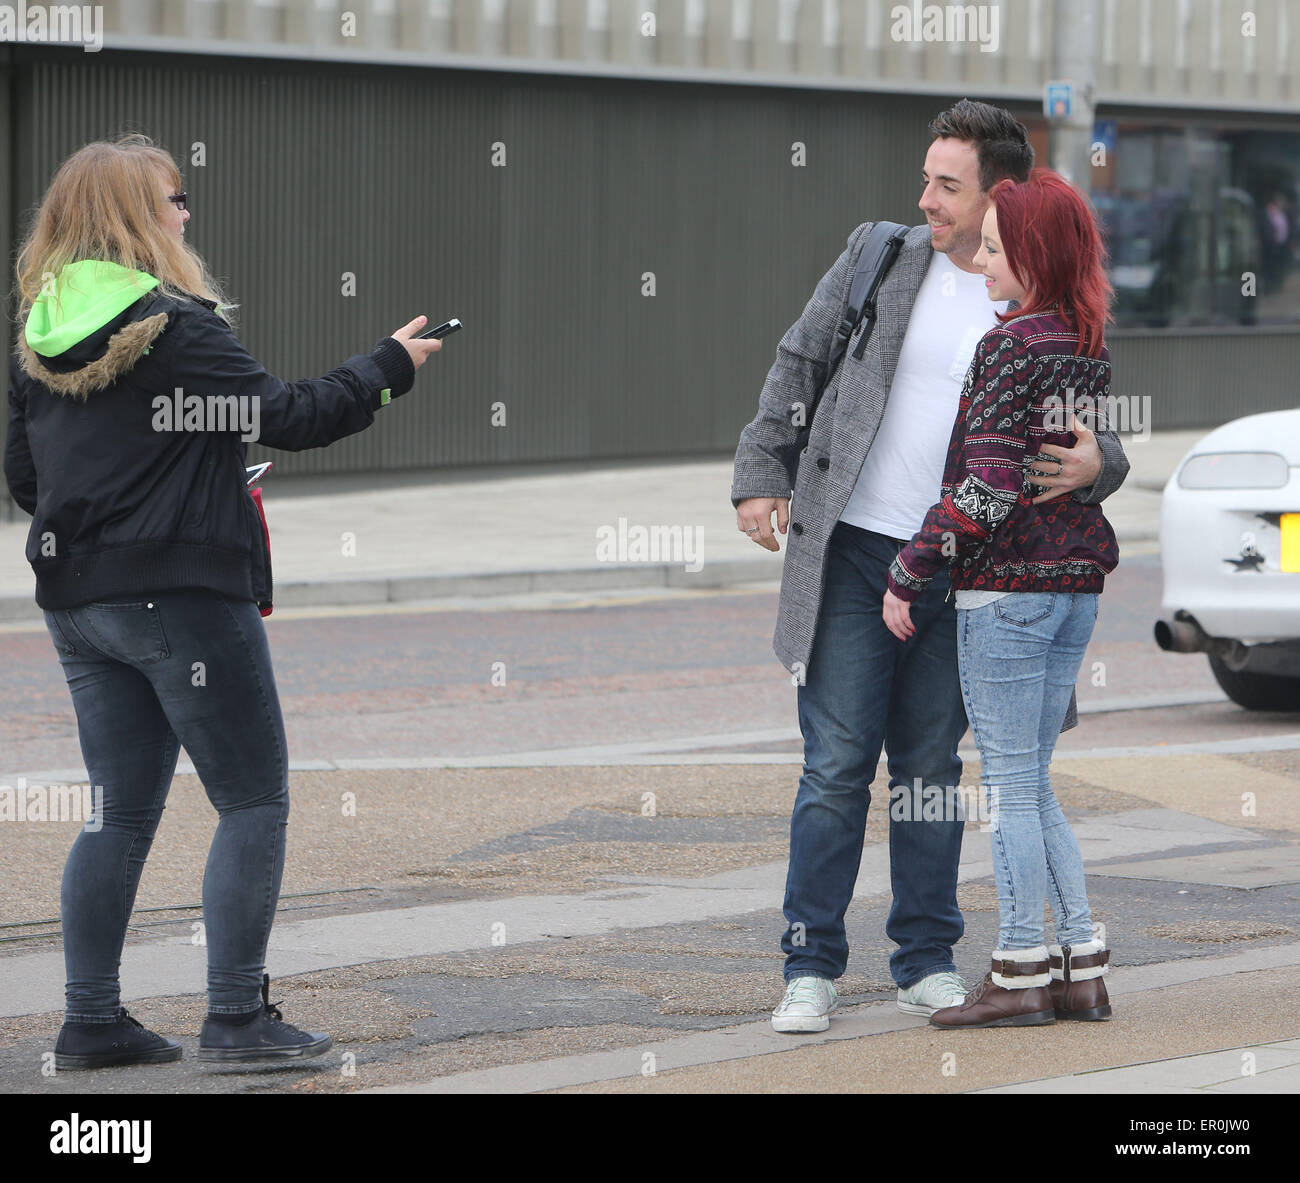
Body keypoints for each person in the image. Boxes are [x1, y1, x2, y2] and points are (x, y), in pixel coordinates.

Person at [3, 134, 441, 1069]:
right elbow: (293, 413)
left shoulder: (39, 334)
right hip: (180, 598)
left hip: (78, 601)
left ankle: (90, 1023)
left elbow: (28, 480)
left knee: (116, 812)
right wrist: (390, 367)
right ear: (132, 216)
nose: (186, 213)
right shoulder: (175, 325)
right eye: (173, 197)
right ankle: (238, 1020)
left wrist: (167, 478)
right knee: (252, 797)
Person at [731, 100, 1129, 1034]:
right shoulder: (883, 255)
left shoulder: (1038, 292)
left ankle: (925, 957)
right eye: (926, 179)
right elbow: (800, 359)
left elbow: (1092, 427)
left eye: (947, 186)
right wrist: (761, 470)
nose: (927, 200)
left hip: (973, 569)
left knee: (929, 767)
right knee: (835, 763)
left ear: (1003, 198)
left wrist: (1101, 464)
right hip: (863, 547)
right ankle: (811, 965)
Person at [883, 169, 1117, 1027]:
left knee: (1013, 788)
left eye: (993, 247)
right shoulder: (1084, 339)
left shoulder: (1008, 346)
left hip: (1007, 590)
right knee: (1035, 781)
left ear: (1031, 251)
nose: (980, 263)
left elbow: (985, 488)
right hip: (1074, 589)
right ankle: (1080, 963)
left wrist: (912, 567)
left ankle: (1019, 968)